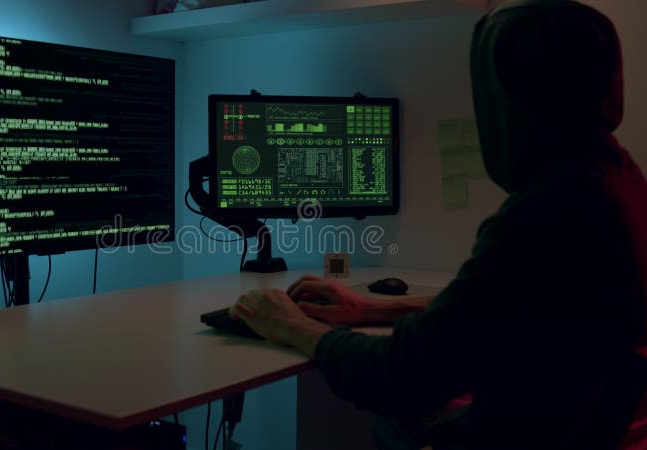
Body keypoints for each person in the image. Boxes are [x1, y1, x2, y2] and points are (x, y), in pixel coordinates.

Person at [229, 1, 647, 448]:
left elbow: (400, 377)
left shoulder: (547, 209)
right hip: (580, 430)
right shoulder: (621, 183)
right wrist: (370, 310)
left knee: (397, 421)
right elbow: (499, 314)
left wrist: (290, 325)